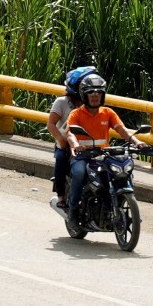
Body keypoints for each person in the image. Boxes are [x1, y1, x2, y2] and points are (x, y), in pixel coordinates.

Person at [63, 71, 141, 221]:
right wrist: (76, 145)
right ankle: (73, 211)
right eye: (90, 92)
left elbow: (122, 130)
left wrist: (137, 142)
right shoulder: (76, 114)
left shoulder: (108, 113)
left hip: (104, 156)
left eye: (98, 92)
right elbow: (70, 133)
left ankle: (118, 202)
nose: (95, 95)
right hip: (82, 156)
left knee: (123, 172)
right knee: (79, 173)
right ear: (84, 95)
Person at [46, 66, 99, 213]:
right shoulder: (61, 102)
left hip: (86, 145)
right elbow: (50, 124)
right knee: (61, 159)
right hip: (65, 144)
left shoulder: (90, 104)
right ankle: (61, 196)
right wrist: (61, 141)